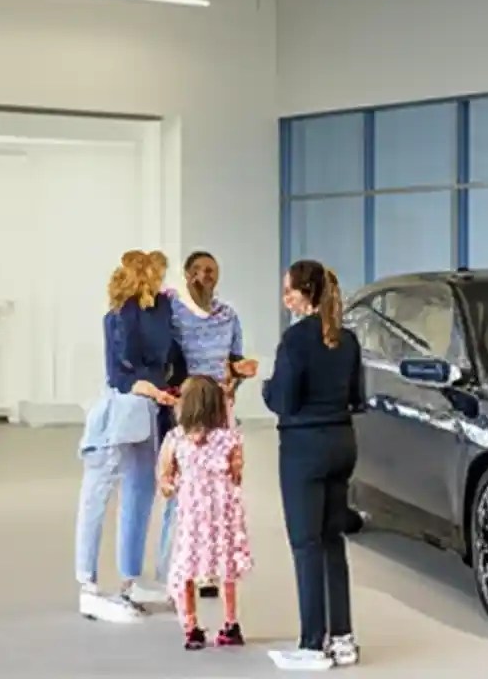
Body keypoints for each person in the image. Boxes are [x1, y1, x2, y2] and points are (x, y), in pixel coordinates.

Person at [264, 260, 364, 671]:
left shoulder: (294, 340)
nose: (285, 298)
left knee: (305, 545)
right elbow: (357, 395)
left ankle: (311, 644)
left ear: (306, 293)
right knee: (332, 541)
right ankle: (342, 638)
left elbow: (283, 400)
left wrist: (265, 387)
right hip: (342, 443)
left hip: (304, 448)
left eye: (290, 291)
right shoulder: (349, 339)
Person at [74, 250, 182, 623]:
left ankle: (129, 579)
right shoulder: (122, 315)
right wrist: (156, 390)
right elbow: (121, 374)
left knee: (140, 491)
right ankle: (87, 584)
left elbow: (161, 364)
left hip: (147, 412)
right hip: (121, 411)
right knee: (98, 493)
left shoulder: (161, 312)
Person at [156, 250, 258, 596]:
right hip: (186, 407)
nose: (205, 276)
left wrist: (237, 378)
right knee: (183, 490)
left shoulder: (228, 315)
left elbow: (235, 360)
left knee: (219, 491)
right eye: (197, 270)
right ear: (187, 275)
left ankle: (210, 570)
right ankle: (174, 570)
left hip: (220, 407)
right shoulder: (174, 311)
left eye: (211, 270)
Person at [157, 375, 254, 651]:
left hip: (191, 517)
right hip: (224, 516)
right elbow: (237, 475)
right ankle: (230, 624)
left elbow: (165, 480)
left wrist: (176, 487)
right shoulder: (231, 439)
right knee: (227, 569)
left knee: (187, 568)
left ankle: (192, 628)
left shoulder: (175, 439)